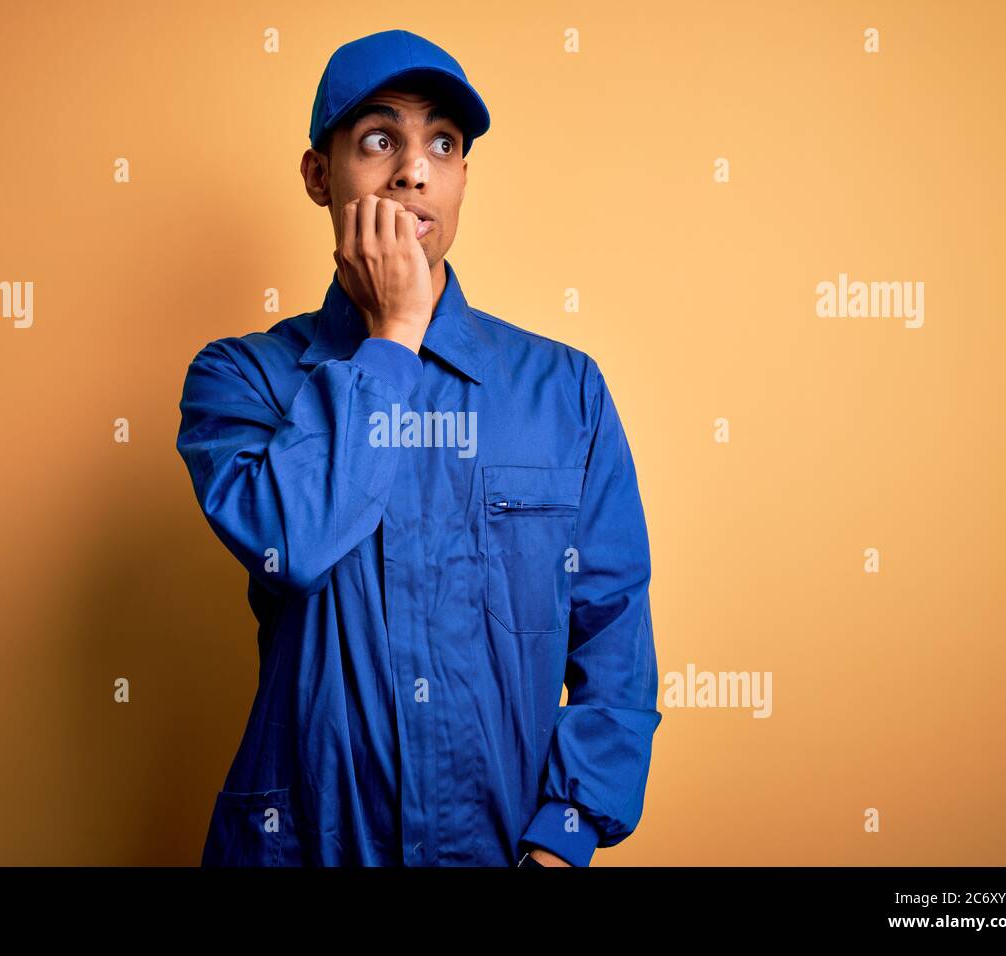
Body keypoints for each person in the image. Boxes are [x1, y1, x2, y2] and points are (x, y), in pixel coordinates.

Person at [175, 28, 661, 867]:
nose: (414, 169)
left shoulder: (565, 390)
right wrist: (394, 336)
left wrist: (560, 844)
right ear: (318, 175)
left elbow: (615, 641)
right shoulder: (239, 379)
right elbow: (293, 544)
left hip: (500, 847)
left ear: (464, 176)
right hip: (305, 845)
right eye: (379, 140)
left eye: (443, 142)